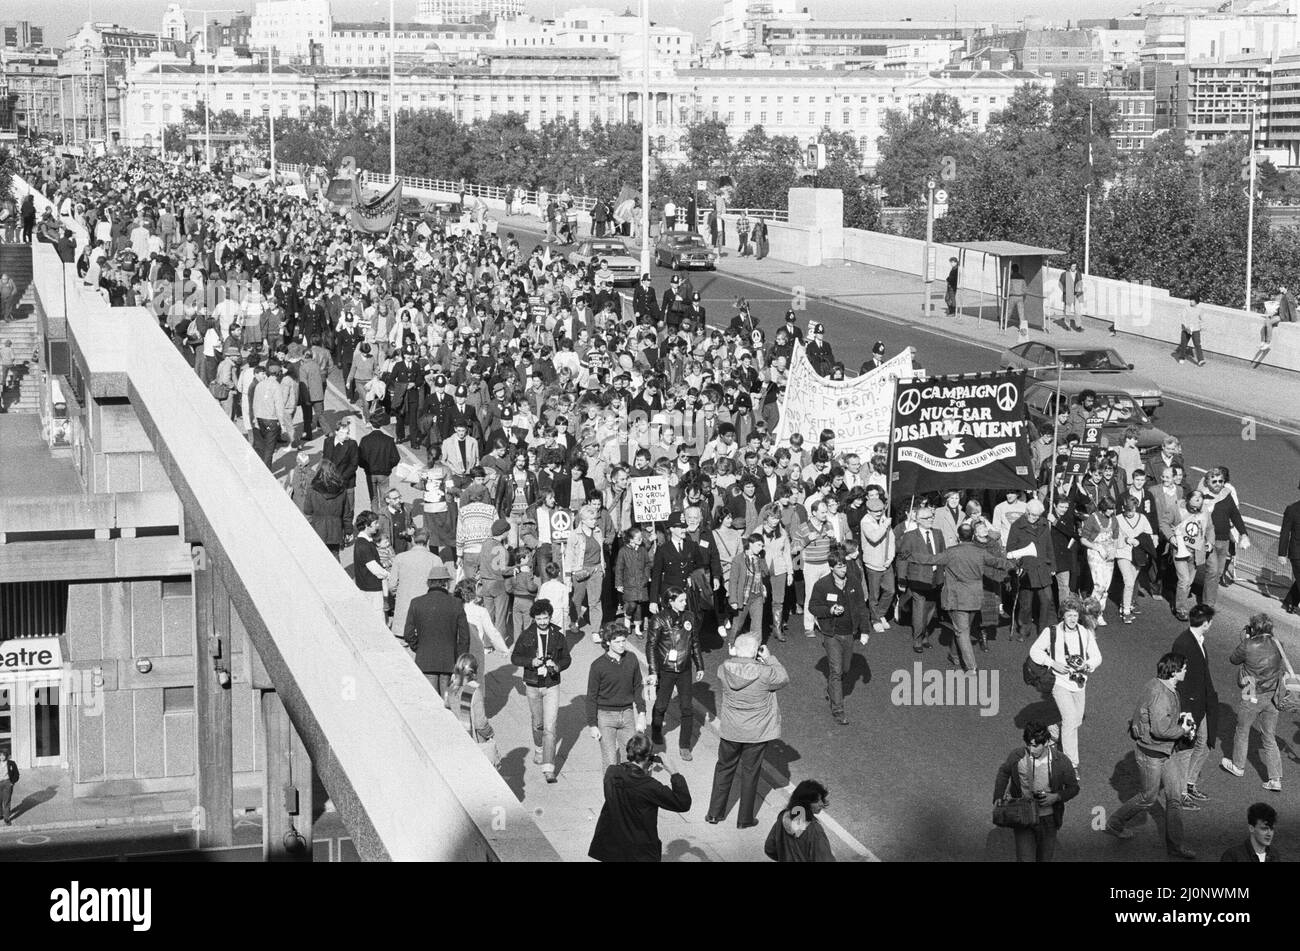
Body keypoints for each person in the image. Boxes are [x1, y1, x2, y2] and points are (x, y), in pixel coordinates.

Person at [1105, 652, 1198, 860]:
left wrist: (1180, 719)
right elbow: (1160, 730)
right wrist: (1183, 729)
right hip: (1152, 754)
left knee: (1173, 798)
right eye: (1183, 668)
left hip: (1165, 751)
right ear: (1174, 671)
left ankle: (1175, 846)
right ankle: (1114, 823)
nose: (1186, 671)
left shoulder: (1160, 685)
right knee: (1148, 798)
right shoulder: (1160, 695)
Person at [706, 634, 788, 828]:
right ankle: (744, 819)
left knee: (724, 768)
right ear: (754, 651)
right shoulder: (764, 672)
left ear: (735, 649)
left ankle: (714, 813)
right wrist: (769, 658)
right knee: (751, 773)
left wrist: (736, 655)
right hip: (756, 731)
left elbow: (731, 663)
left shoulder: (723, 668)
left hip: (731, 729)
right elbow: (783, 678)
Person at [909, 522, 1016, 671]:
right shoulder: (980, 552)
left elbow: (930, 560)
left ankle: (970, 667)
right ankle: (954, 655)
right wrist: (1013, 566)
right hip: (975, 598)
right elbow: (997, 562)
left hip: (956, 598)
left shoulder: (951, 552)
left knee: (961, 631)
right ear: (972, 536)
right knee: (962, 629)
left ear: (958, 537)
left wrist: (909, 556)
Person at [588, 735, 691, 863]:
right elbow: (683, 803)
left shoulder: (611, 772)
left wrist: (643, 771)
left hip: (612, 848)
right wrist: (674, 772)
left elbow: (626, 788)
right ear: (648, 757)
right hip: (639, 852)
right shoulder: (650, 786)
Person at [1028, 596, 1101, 773]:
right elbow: (1034, 651)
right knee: (1069, 720)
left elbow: (1097, 657)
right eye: (1069, 615)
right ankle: (1071, 764)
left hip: (1079, 683)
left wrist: (1087, 665)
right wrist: (1052, 663)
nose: (1073, 619)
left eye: (1075, 615)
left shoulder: (1085, 633)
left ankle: (1051, 733)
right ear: (1063, 616)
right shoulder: (1052, 632)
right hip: (1058, 682)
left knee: (1076, 721)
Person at [992, 721, 1081, 863]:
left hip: (1049, 820)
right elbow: (1004, 772)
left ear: (1046, 742)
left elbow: (1074, 788)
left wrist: (1056, 796)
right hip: (1023, 816)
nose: (1031, 749)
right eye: (1028, 744)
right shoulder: (1017, 756)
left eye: (1035, 745)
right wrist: (998, 796)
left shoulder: (1062, 761)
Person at [1221, 613, 1285, 793]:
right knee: (1269, 737)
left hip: (1252, 692)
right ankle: (1275, 779)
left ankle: (1238, 766)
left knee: (1242, 729)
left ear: (1253, 628)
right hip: (1273, 695)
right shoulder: (1278, 644)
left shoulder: (1248, 645)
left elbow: (1233, 659)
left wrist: (1246, 639)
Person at [510, 599, 571, 783]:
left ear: (550, 617)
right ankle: (538, 748)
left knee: (550, 727)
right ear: (534, 618)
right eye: (539, 618)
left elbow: (567, 659)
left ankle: (548, 768)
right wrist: (531, 662)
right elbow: (515, 658)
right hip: (532, 684)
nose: (543, 621)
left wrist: (557, 665)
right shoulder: (527, 635)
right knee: (538, 723)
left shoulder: (558, 635)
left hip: (552, 684)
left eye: (545, 618)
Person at [808, 547, 868, 723]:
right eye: (840, 566)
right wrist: (830, 610)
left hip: (849, 633)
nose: (844, 570)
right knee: (835, 671)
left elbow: (861, 608)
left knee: (845, 669)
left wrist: (865, 630)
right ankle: (838, 710)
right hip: (831, 634)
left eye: (845, 566)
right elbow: (813, 607)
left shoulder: (854, 583)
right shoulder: (822, 585)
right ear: (832, 567)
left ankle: (832, 690)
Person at [646, 586, 704, 758]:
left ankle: (684, 745)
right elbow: (651, 646)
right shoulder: (659, 619)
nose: (685, 603)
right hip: (666, 669)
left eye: (685, 600)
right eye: (681, 601)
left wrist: (700, 665)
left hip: (684, 668)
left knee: (687, 707)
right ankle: (656, 733)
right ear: (670, 602)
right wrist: (653, 671)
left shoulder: (689, 617)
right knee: (661, 705)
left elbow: (694, 642)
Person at [1172, 604, 1219, 807]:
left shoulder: (1198, 641)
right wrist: (1184, 710)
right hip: (1190, 706)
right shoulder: (1183, 643)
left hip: (1202, 702)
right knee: (1186, 750)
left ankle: (1189, 784)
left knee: (1206, 743)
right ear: (1206, 623)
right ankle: (1181, 793)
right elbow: (1177, 677)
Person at [403, 562, 471, 698]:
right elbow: (464, 636)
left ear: (429, 583)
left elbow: (408, 634)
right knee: (447, 700)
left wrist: (419, 647)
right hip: (449, 659)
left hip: (425, 658)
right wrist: (459, 657)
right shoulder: (456, 603)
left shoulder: (416, 602)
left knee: (431, 699)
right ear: (445, 583)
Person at [586, 622, 647, 771]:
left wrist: (642, 713)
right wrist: (592, 724)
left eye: (623, 641)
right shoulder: (598, 666)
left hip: (627, 714)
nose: (621, 645)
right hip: (605, 717)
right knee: (610, 761)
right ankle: (611, 792)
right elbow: (591, 696)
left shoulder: (632, 659)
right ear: (607, 642)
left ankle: (628, 792)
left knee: (631, 759)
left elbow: (638, 686)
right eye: (617, 642)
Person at [445, 652, 499, 769]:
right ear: (474, 673)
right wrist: (490, 733)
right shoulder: (473, 692)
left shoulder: (452, 688)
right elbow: (480, 724)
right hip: (473, 741)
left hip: (457, 739)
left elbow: (446, 704)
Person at [764, 779, 836, 862]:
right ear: (805, 803)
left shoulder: (783, 817)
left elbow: (770, 848)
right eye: (816, 801)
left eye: (820, 799)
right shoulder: (815, 832)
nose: (821, 804)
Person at [352, 511, 389, 620]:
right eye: (375, 523)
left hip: (365, 585)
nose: (378, 525)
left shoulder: (363, 542)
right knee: (378, 616)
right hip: (372, 587)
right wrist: (387, 575)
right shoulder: (364, 544)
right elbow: (374, 567)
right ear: (366, 526)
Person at [1280, 478, 1300, 615]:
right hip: (1297, 553)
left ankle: (1290, 602)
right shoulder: (1292, 510)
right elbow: (1285, 533)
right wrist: (1282, 553)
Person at [1175, 295, 1206, 366]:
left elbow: (1202, 319)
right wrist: (1186, 326)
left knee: (1197, 345)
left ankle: (1200, 360)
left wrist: (1201, 326)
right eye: (1190, 300)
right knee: (1183, 344)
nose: (1191, 301)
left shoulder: (1199, 310)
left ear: (1196, 302)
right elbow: (1183, 318)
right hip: (1186, 329)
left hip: (1195, 330)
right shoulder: (1186, 308)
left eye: (1193, 300)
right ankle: (1182, 357)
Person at [1059, 262, 1084, 332]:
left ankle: (1078, 326)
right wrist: (1065, 291)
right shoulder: (1064, 274)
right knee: (1067, 310)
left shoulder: (1078, 274)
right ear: (1070, 266)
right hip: (1068, 294)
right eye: (1073, 266)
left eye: (1075, 266)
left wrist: (1080, 289)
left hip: (1076, 295)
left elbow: (1080, 283)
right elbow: (1060, 284)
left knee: (1078, 311)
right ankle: (1067, 325)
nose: (1074, 268)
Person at [1004, 262, 1027, 336]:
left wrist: (1008, 294)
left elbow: (1007, 287)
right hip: (1020, 297)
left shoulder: (1010, 277)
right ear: (1018, 269)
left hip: (1012, 296)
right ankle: (1022, 328)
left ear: (1012, 270)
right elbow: (1025, 289)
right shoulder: (1022, 278)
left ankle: (1004, 325)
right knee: (1021, 313)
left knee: (1009, 311)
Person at [0, 750, 16, 824]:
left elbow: (16, 774)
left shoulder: (11, 763)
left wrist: (12, 782)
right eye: (0, 755)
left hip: (7, 783)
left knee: (6, 801)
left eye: (3, 755)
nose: (2, 757)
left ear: (6, 756)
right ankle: (0, 815)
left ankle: (6, 818)